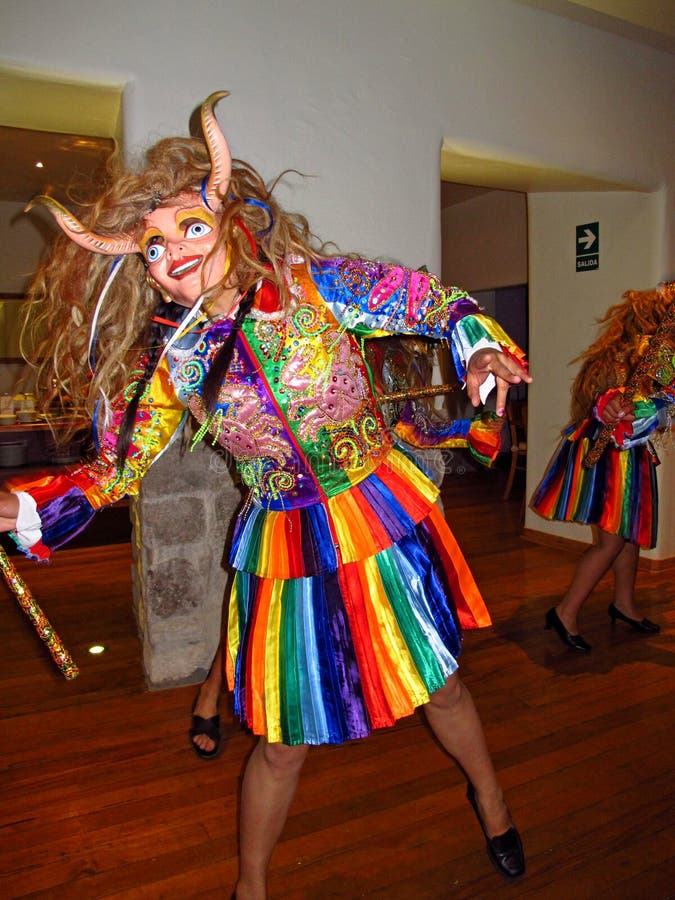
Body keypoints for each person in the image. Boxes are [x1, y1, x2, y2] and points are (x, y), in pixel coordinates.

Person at [0, 91, 531, 895]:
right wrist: (24, 506)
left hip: (378, 517)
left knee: (443, 684)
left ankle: (492, 801)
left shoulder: (315, 286)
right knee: (281, 739)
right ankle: (251, 887)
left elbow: (436, 302)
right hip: (286, 542)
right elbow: (116, 468)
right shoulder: (168, 359)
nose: (169, 253)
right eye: (148, 247)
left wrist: (479, 352)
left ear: (231, 224)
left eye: (188, 228)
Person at [531, 284, 674, 652]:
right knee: (611, 541)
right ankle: (565, 612)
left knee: (628, 536)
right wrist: (608, 405)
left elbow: (657, 405)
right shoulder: (622, 358)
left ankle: (623, 604)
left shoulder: (659, 358)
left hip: (630, 455)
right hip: (609, 456)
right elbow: (601, 401)